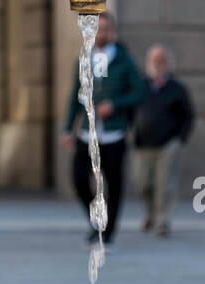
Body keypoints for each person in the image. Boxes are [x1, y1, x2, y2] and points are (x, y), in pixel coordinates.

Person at [60, 13, 145, 244]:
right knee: (78, 179)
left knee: (113, 185)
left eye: (106, 29)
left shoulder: (123, 60)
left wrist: (115, 105)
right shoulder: (84, 59)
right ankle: (97, 219)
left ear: (113, 32)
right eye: (98, 29)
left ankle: (107, 234)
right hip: (87, 134)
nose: (102, 33)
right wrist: (68, 128)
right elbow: (74, 97)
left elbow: (140, 92)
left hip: (114, 135)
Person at [132, 45, 195, 237]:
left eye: (162, 60)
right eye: (154, 60)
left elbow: (188, 115)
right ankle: (150, 214)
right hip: (143, 144)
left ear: (168, 64)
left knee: (165, 184)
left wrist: (179, 139)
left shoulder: (177, 88)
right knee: (142, 183)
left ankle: (162, 221)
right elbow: (129, 110)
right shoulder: (140, 86)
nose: (158, 64)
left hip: (168, 144)